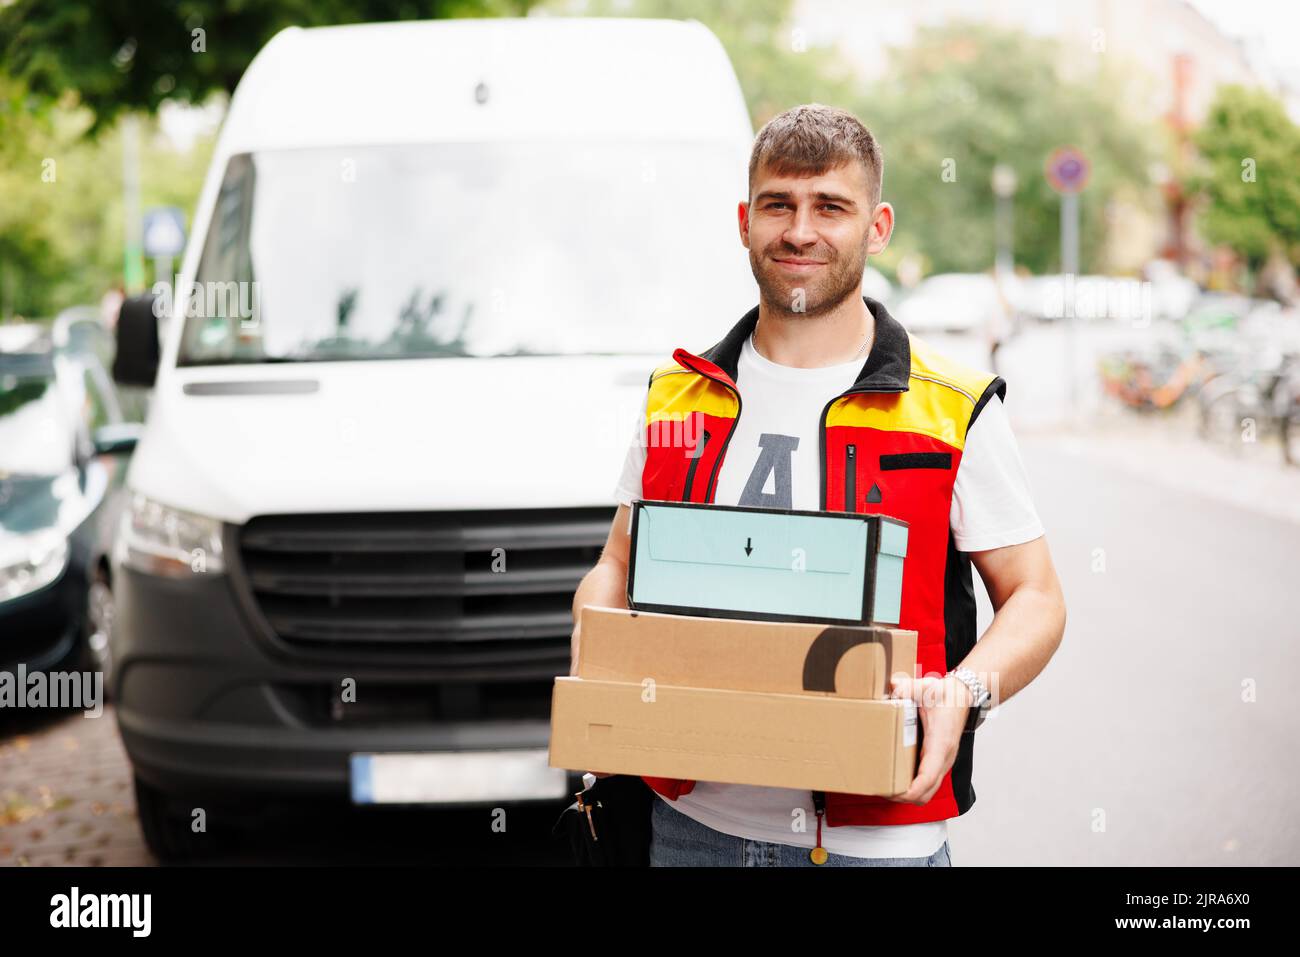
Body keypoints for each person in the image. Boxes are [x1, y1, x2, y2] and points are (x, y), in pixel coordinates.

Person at [570, 104, 1066, 867]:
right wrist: (595, 641)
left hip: (879, 839)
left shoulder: (952, 405)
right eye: (779, 204)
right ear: (745, 221)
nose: (800, 230)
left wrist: (966, 692)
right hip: (691, 827)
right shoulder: (677, 395)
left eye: (830, 206)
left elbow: (1036, 596)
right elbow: (618, 560)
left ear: (877, 226)